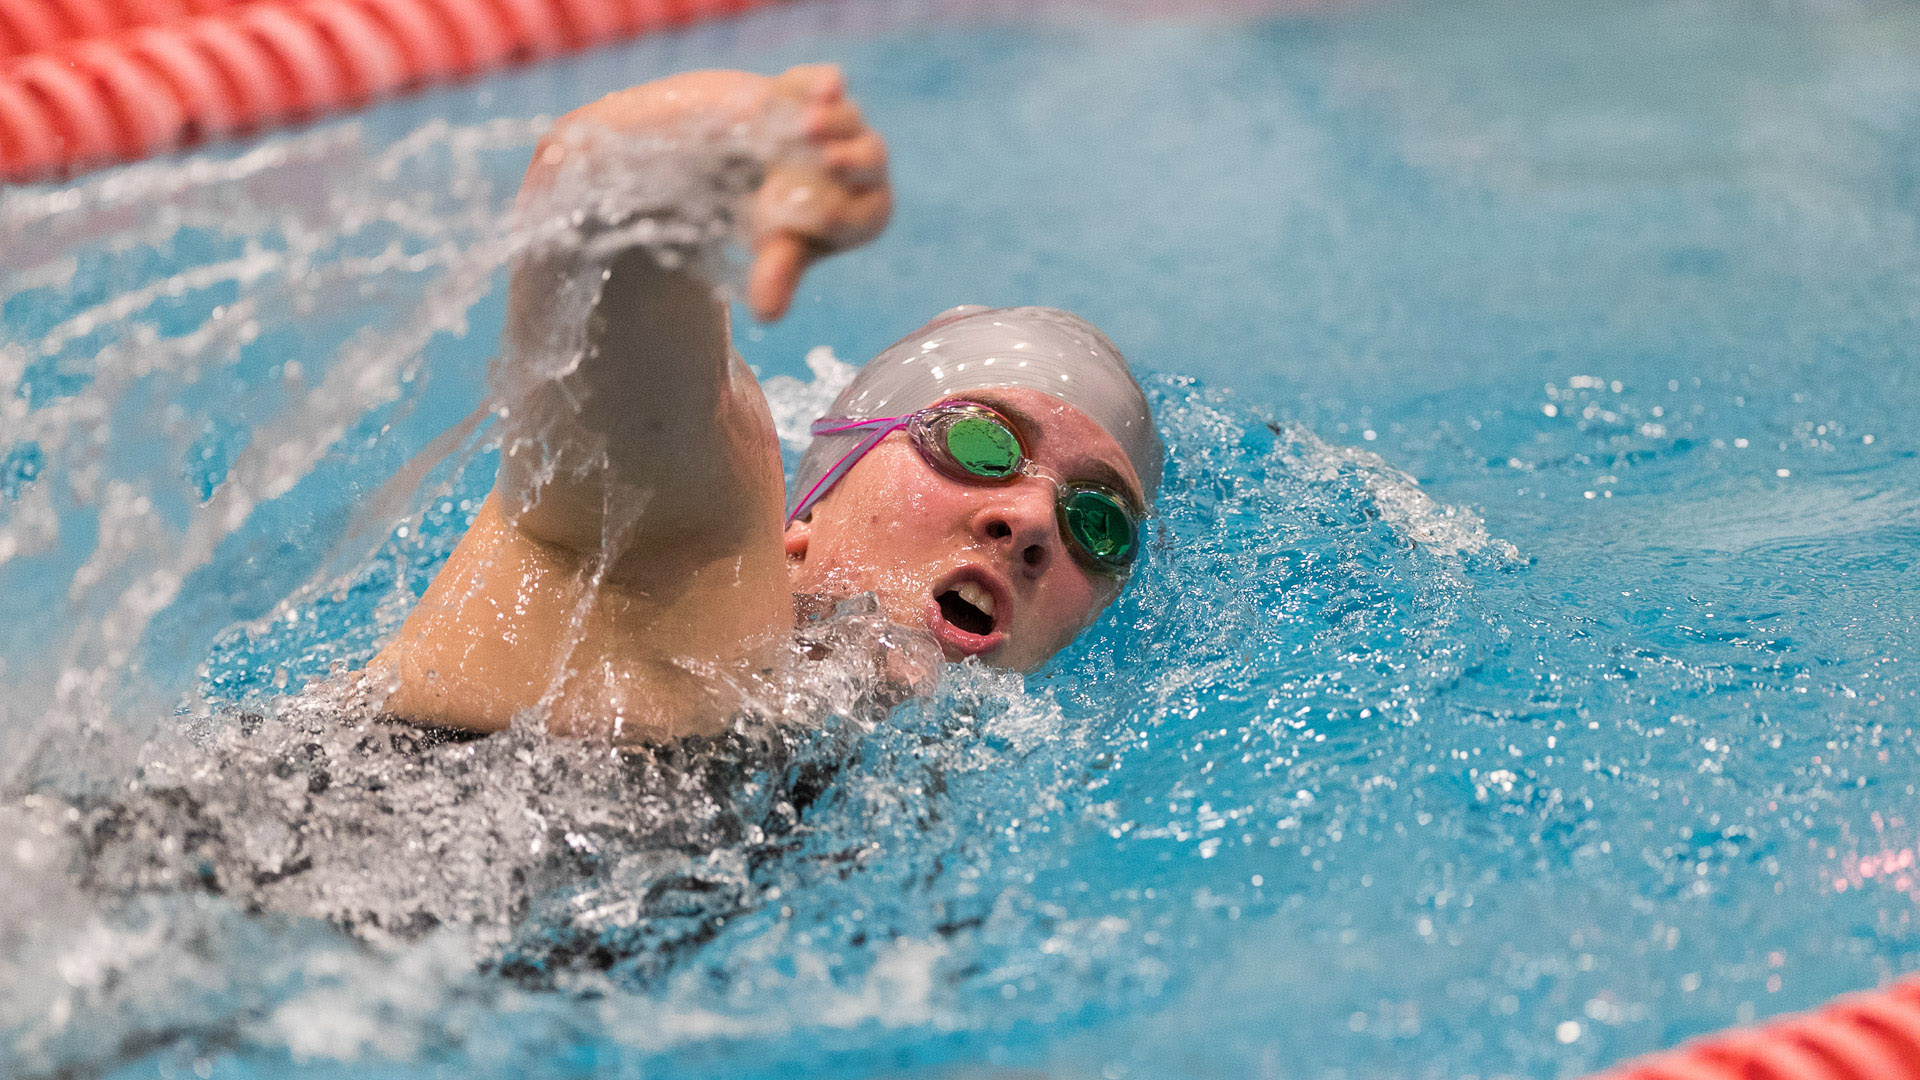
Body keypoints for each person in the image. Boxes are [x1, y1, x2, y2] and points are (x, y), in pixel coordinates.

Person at [368, 66, 1163, 744]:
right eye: (979, 444)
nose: (1031, 520)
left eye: (1097, 523)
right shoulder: (680, 553)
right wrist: (757, 136)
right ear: (802, 521)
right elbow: (596, 187)